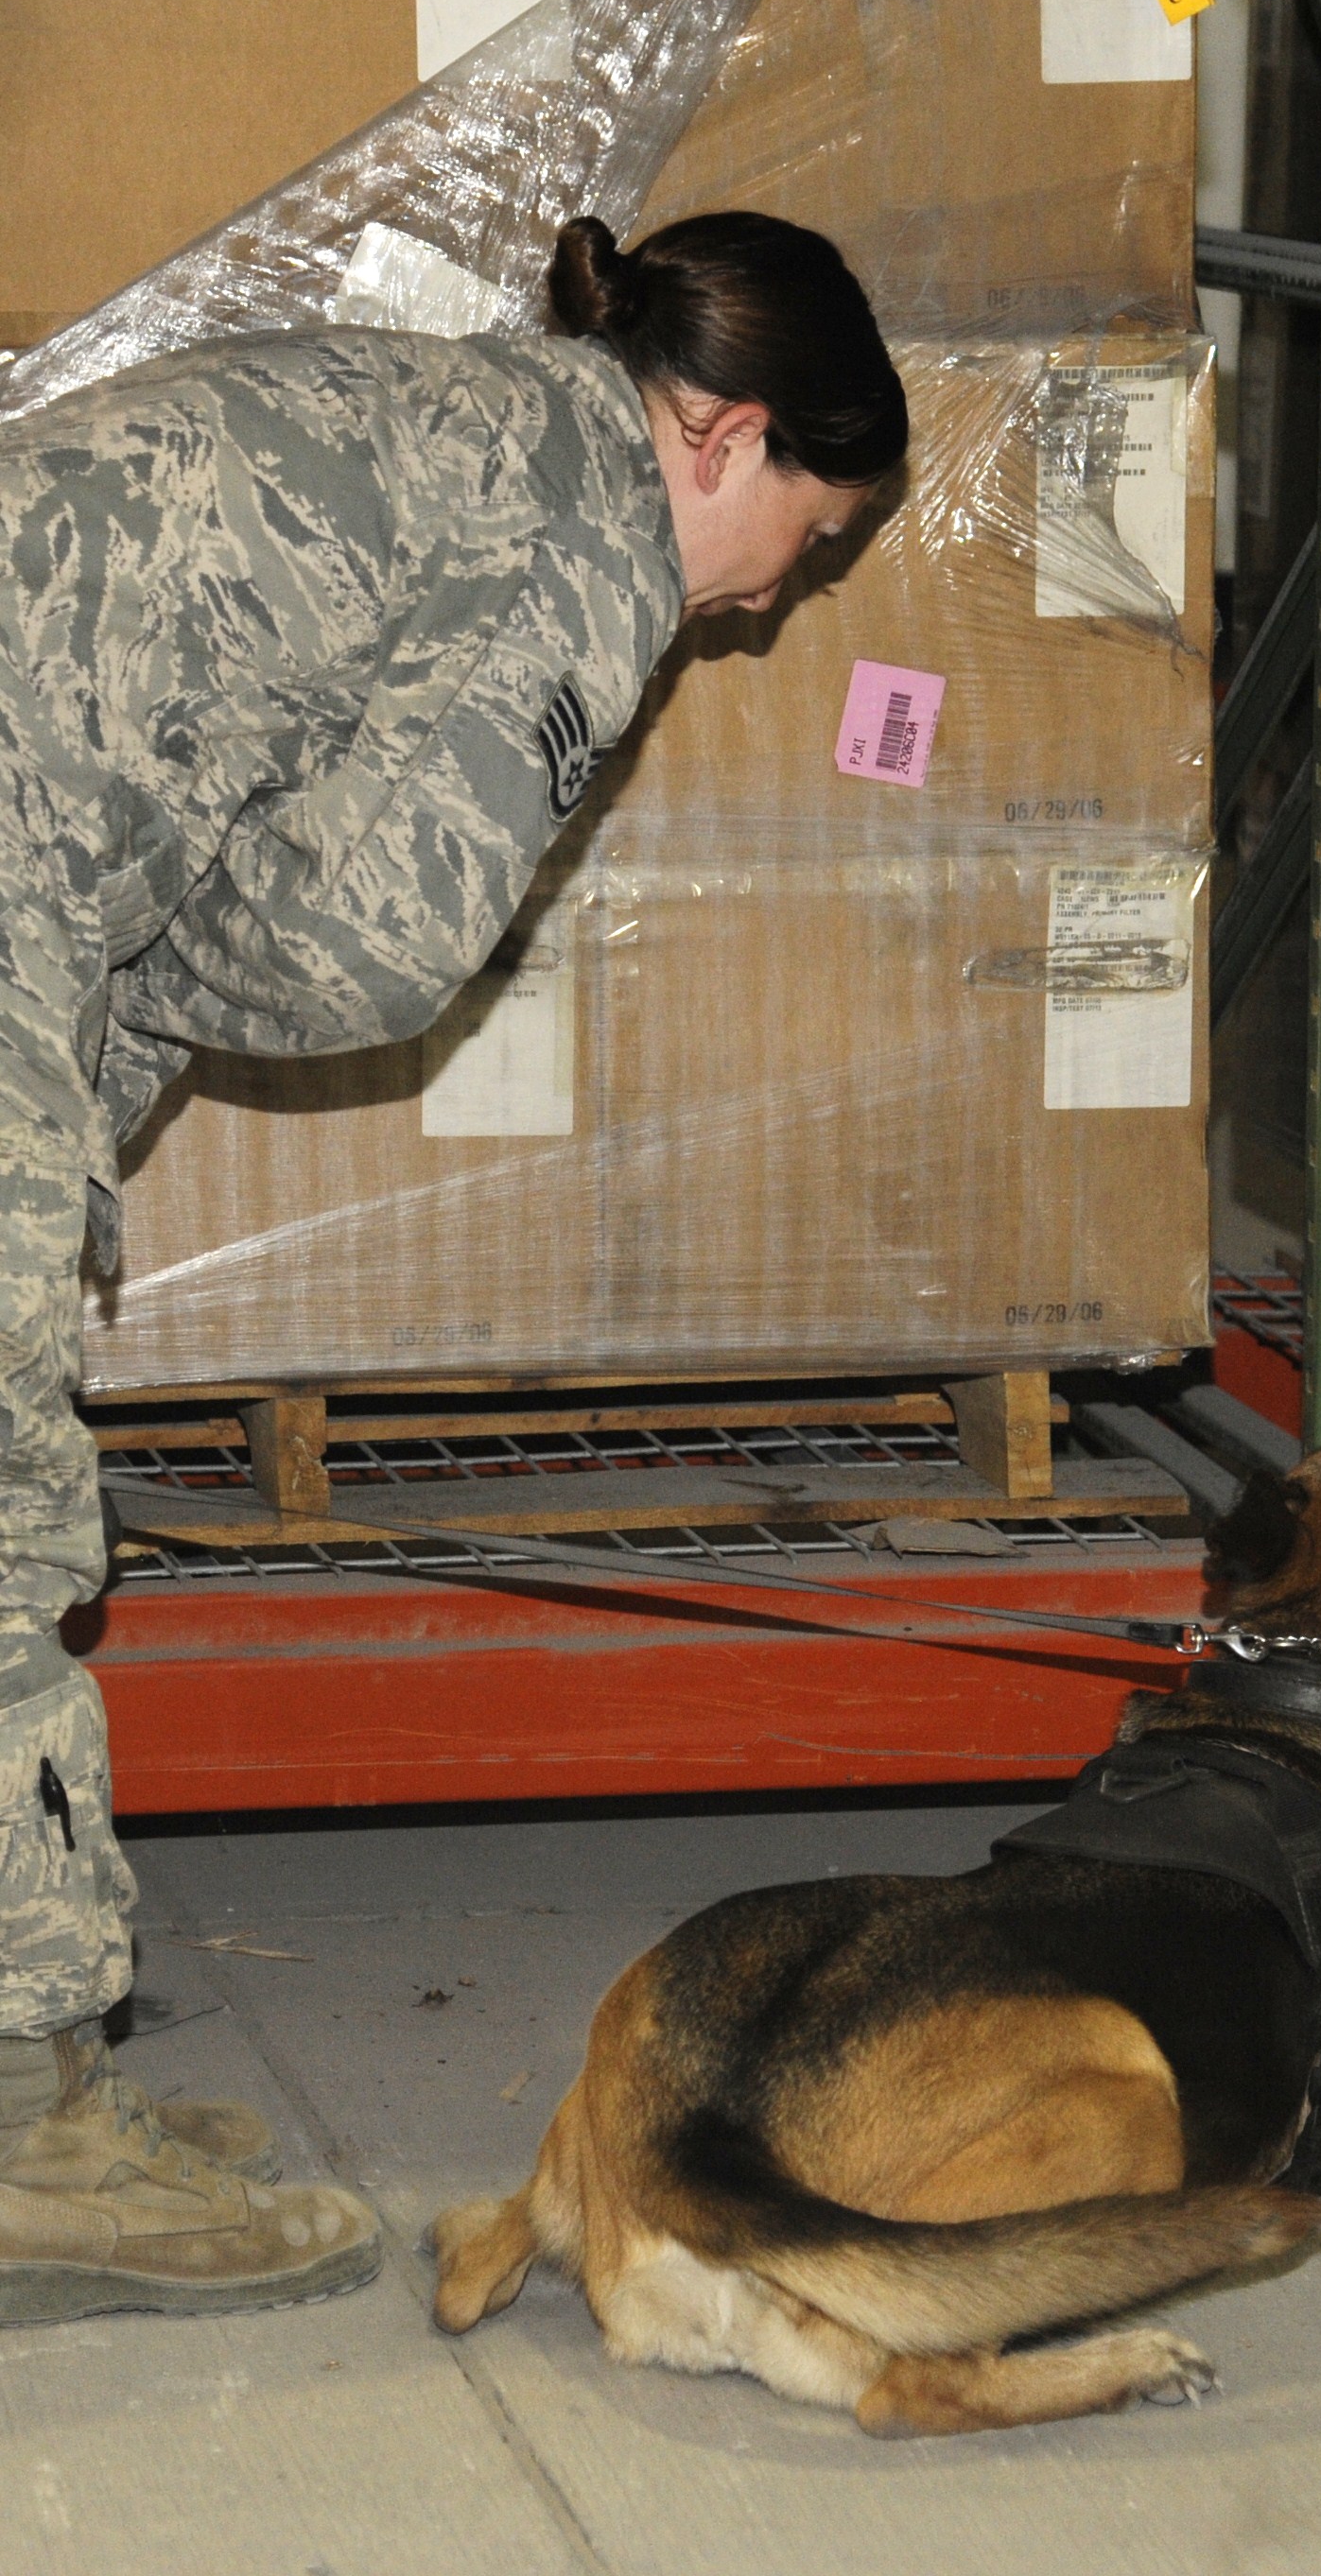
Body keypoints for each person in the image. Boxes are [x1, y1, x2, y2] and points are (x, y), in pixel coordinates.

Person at [0, 210, 907, 2323]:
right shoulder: (596, 545)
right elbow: (360, 949)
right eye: (806, 538)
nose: (778, 598)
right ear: (724, 434)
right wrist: (123, 978)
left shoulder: (466, 420)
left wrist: (95, 996)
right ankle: (29, 2137)